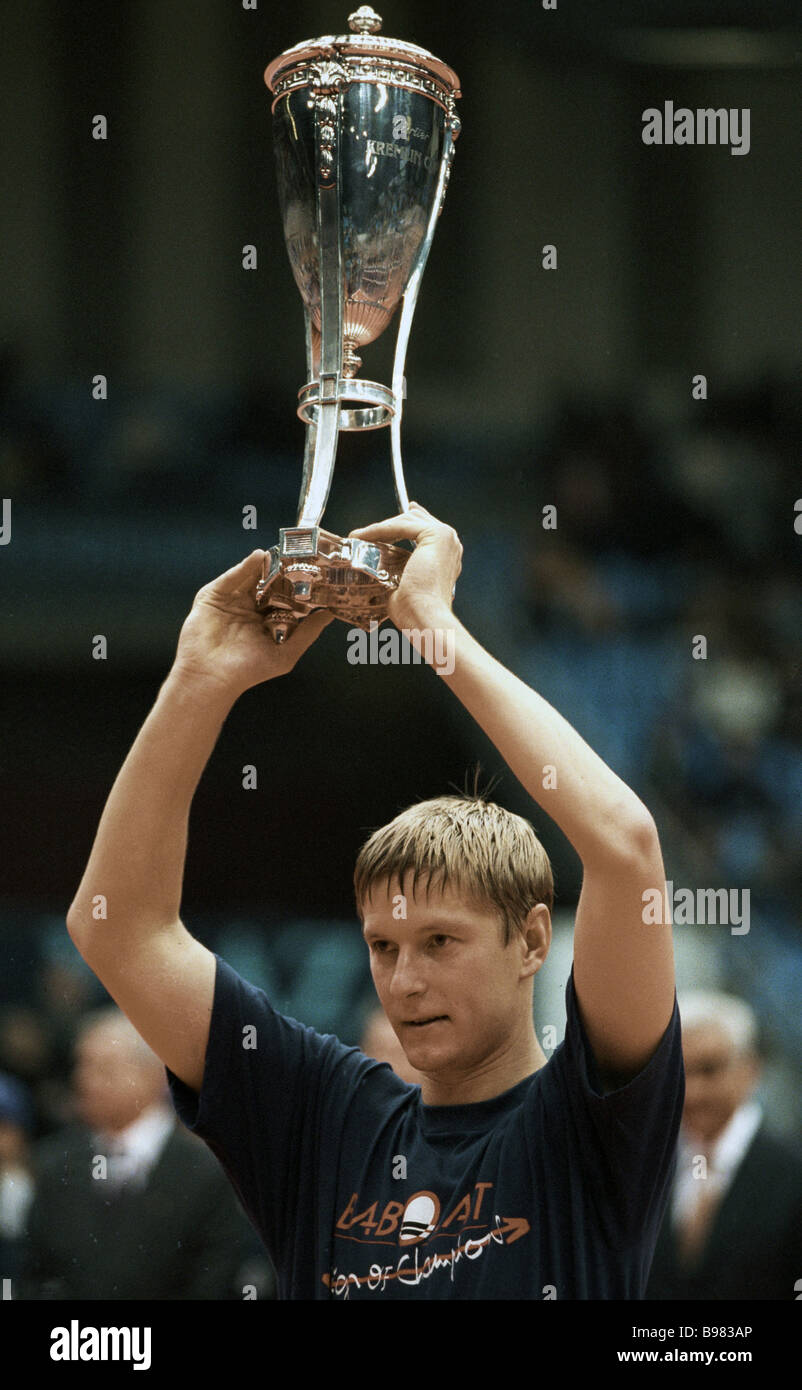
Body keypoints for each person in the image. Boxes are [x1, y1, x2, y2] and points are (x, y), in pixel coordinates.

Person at [66, 502, 684, 1299]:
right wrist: (200, 678)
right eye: (383, 947)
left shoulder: (592, 1115)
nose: (404, 981)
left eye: (439, 942)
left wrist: (430, 627)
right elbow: (117, 928)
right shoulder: (321, 1114)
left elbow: (626, 846)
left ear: (532, 940)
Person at [21, 1007, 272, 1299]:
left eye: (104, 1070)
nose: (84, 1082)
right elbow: (35, 1273)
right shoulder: (54, 1163)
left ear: (154, 1076)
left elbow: (214, 1279)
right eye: (81, 1066)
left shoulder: (207, 1174)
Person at [646, 990, 802, 1300]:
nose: (692, 1092)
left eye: (709, 1070)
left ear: (750, 1070)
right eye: (679, 1072)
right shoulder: (643, 1171)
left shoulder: (792, 1173)